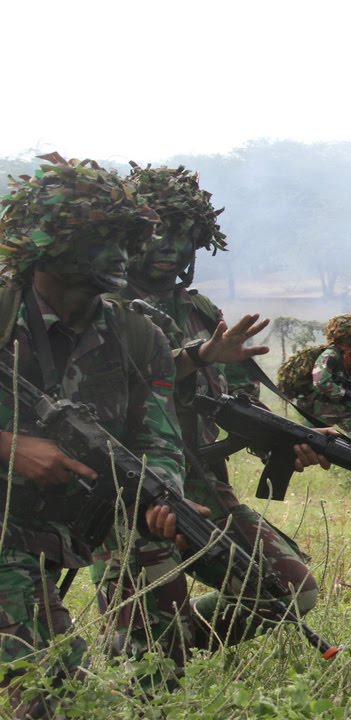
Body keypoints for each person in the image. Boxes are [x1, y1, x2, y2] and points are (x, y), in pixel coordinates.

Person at [102, 163, 321, 657]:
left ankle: (174, 643)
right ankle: (145, 658)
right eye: (160, 232)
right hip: (126, 482)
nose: (171, 248)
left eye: (186, 237)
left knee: (293, 591)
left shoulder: (199, 312)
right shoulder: (99, 305)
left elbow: (235, 403)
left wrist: (291, 438)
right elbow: (118, 386)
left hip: (201, 479)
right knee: (150, 629)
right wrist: (195, 357)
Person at [0, 153, 191, 716]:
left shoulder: (138, 335)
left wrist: (164, 491)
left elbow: (158, 436)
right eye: (99, 240)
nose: (119, 255)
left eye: (125, 239)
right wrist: (11, 447)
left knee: (149, 656)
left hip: (62, 528)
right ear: (51, 243)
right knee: (52, 684)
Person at [305, 314, 351, 450]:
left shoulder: (350, 354)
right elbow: (320, 382)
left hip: (345, 408)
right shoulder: (330, 354)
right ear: (346, 336)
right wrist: (344, 393)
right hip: (323, 408)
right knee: (305, 439)